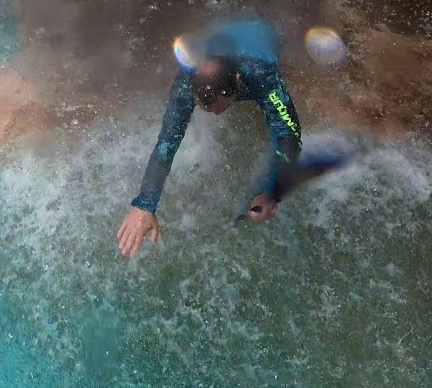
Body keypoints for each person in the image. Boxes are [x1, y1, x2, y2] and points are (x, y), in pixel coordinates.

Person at [117, 18, 303, 259]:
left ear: (238, 82)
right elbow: (166, 144)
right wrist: (144, 205)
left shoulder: (261, 73)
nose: (216, 113)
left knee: (279, 106)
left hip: (263, 33)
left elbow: (290, 137)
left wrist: (271, 192)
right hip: (224, 33)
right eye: (207, 108)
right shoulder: (187, 82)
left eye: (222, 106)